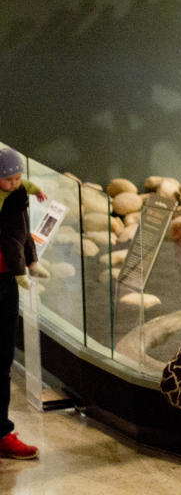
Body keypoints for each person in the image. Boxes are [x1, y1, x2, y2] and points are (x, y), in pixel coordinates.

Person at [0, 147, 48, 460]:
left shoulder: (17, 195)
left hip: (5, 282)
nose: (15, 182)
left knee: (2, 358)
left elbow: (19, 232)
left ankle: (1, 432)